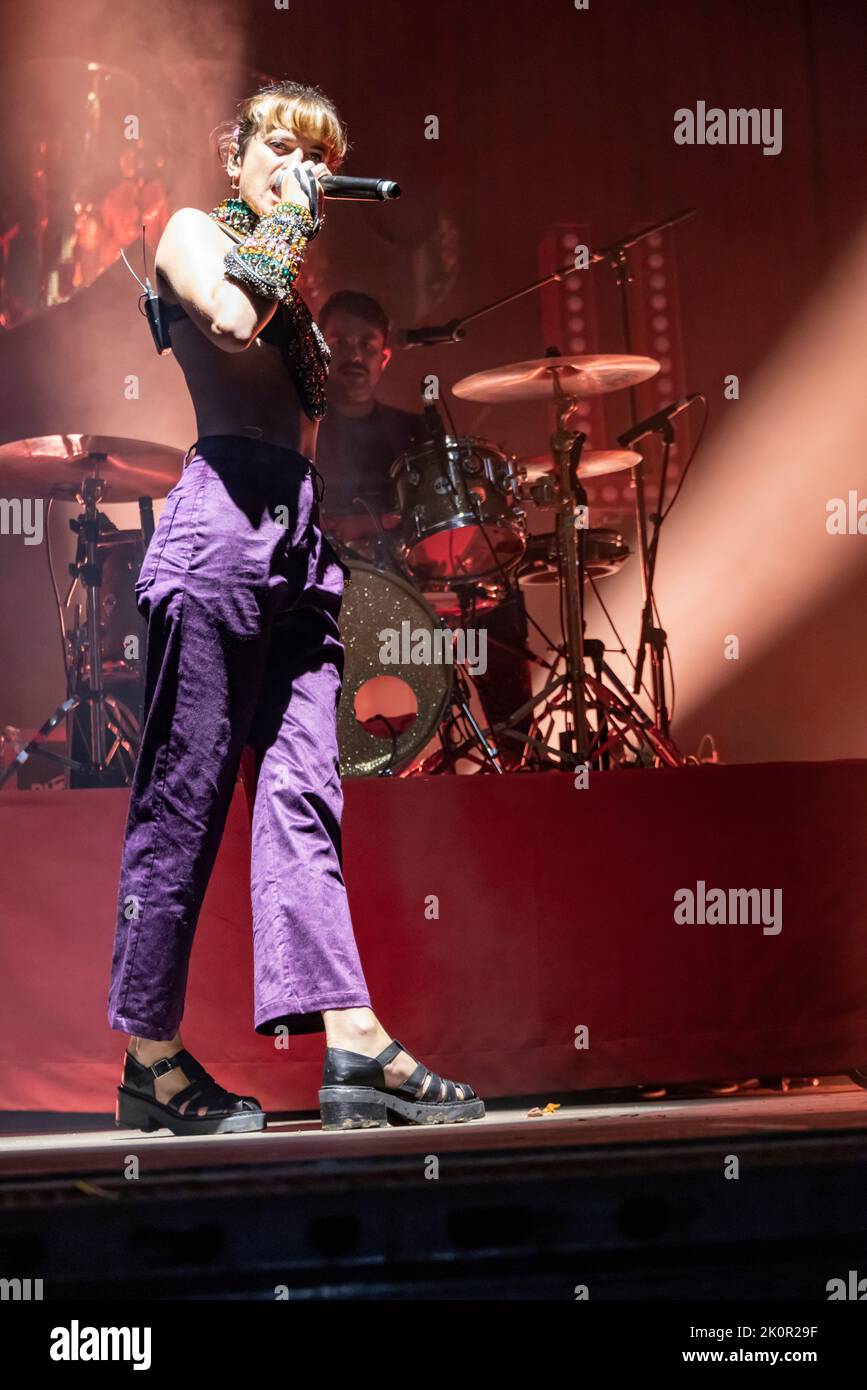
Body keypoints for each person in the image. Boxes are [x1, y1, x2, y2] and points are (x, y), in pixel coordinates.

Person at [106, 80, 483, 1135]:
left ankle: (353, 1041)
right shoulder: (189, 234)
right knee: (182, 800)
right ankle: (151, 1056)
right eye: (280, 146)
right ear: (239, 159)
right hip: (217, 536)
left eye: (316, 153)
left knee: (306, 796)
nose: (299, 165)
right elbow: (228, 323)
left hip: (298, 553)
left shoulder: (296, 295)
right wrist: (286, 222)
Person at [316, 290, 534, 768]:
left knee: (497, 592)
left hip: (411, 582)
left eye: (367, 344)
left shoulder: (415, 433)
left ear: (384, 355)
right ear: (317, 346)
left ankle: (518, 754)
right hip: (331, 588)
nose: (354, 355)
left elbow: (444, 519)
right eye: (340, 342)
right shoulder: (299, 428)